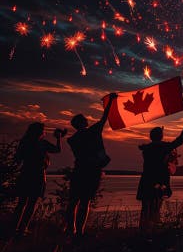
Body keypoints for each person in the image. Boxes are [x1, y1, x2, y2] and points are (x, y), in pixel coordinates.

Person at [65, 93, 116, 237]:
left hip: (79, 170)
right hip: (92, 171)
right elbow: (104, 118)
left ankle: (71, 229)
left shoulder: (72, 140)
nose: (87, 120)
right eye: (84, 119)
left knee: (73, 201)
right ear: (83, 123)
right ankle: (79, 231)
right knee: (84, 201)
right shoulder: (93, 131)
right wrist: (110, 102)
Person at [137, 117, 183, 230]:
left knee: (146, 207)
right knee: (156, 206)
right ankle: (153, 230)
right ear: (160, 136)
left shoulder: (146, 149)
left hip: (146, 179)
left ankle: (144, 230)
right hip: (159, 180)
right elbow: (180, 140)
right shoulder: (164, 147)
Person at [13, 122, 63, 236]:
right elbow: (57, 150)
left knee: (22, 202)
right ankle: (22, 229)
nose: (43, 132)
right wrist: (58, 138)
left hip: (26, 174)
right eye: (42, 130)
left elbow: (17, 159)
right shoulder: (42, 143)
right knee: (30, 203)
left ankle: (16, 228)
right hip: (38, 175)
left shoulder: (25, 142)